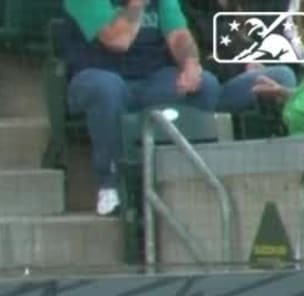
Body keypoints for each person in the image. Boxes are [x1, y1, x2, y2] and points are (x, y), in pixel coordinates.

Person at [62, 0, 223, 216]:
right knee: (106, 88)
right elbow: (118, 40)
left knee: (206, 86)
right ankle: (111, 184)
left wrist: (190, 64)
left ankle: (186, 176)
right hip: (95, 75)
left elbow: (178, 34)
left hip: (150, 79)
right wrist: (137, 4)